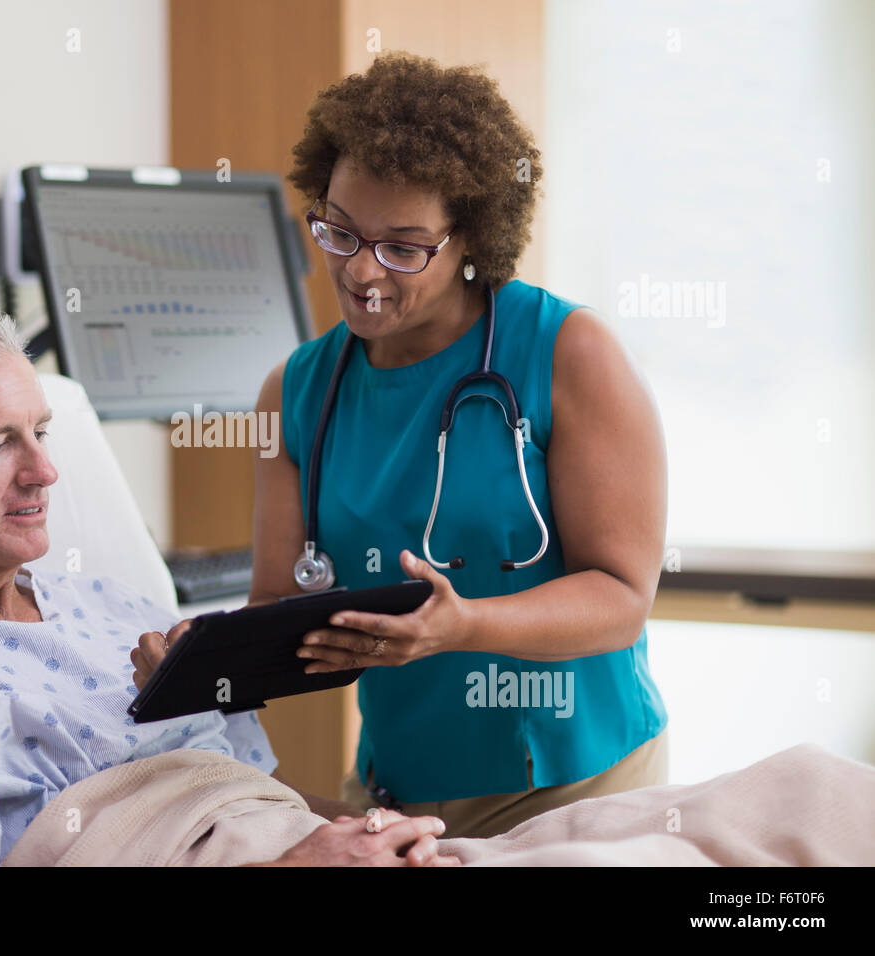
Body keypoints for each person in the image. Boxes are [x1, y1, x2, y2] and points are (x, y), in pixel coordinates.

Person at [0, 294, 455, 867]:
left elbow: (258, 798)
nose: (44, 472)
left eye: (40, 433)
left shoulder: (118, 610)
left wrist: (392, 835)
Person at [246, 52, 669, 838]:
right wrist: (202, 660)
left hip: (573, 786)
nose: (361, 270)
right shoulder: (297, 390)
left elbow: (620, 596)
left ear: (472, 236)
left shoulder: (568, 353)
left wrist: (462, 625)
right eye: (340, 230)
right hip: (396, 792)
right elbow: (279, 608)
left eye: (403, 247)